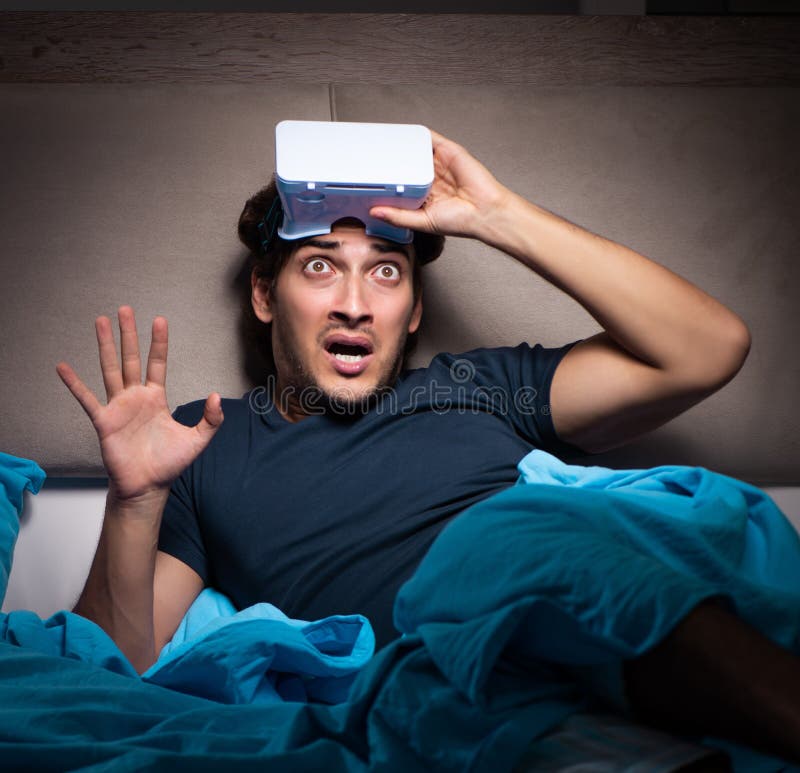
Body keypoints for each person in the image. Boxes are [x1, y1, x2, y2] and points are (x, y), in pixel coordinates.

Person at [57, 129, 800, 764]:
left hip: (576, 609)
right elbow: (115, 664)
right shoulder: (203, 438)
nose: (355, 301)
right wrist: (136, 497)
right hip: (438, 690)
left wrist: (500, 215)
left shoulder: (485, 383)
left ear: (413, 312)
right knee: (444, 705)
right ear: (263, 293)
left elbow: (708, 348)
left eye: (387, 270)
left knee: (509, 532)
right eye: (320, 265)